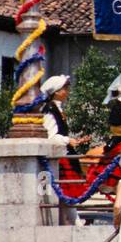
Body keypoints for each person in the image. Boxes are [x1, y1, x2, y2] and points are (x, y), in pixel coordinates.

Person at [40, 74, 90, 224]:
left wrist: (73, 140)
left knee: (67, 190)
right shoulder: (50, 109)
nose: (68, 91)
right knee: (65, 188)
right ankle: (75, 221)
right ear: (56, 91)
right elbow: (51, 135)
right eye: (65, 88)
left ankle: (75, 221)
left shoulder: (57, 108)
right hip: (58, 157)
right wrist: (68, 140)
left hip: (64, 153)